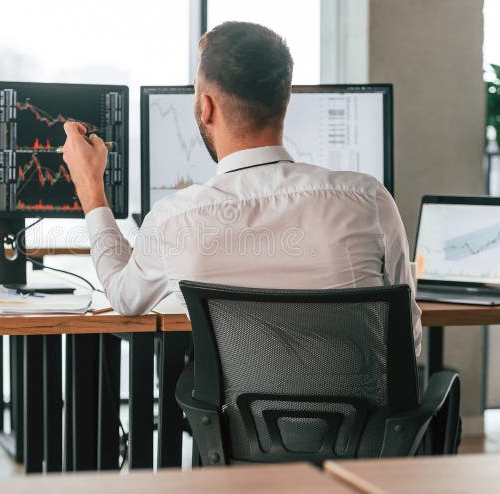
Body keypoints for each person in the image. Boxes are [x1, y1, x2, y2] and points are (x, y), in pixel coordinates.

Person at [62, 21, 421, 355]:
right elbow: (408, 340)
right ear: (285, 100)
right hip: (366, 422)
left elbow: (126, 299)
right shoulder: (367, 199)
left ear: (206, 107)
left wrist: (91, 189)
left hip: (238, 422)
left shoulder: (176, 220)